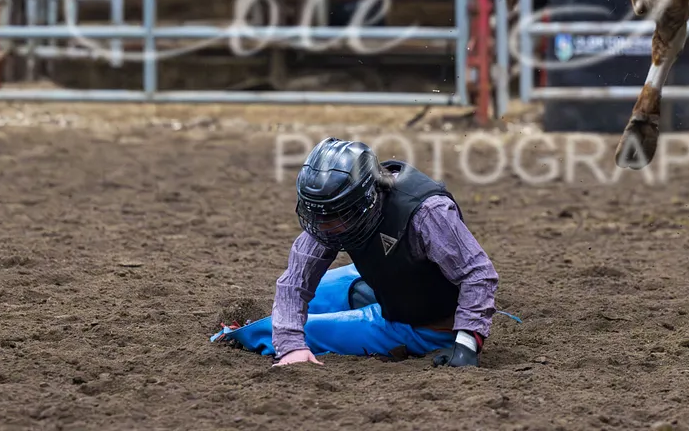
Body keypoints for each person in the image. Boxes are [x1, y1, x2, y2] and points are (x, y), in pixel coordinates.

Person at [211, 137, 499, 368]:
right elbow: (294, 283)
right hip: (387, 282)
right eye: (317, 213)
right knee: (287, 317)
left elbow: (478, 274)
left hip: (425, 324)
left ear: (368, 200)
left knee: (269, 331)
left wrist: (466, 344)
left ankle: (238, 333)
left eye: (333, 215)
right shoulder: (333, 212)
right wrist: (290, 345)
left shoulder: (428, 213)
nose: (322, 224)